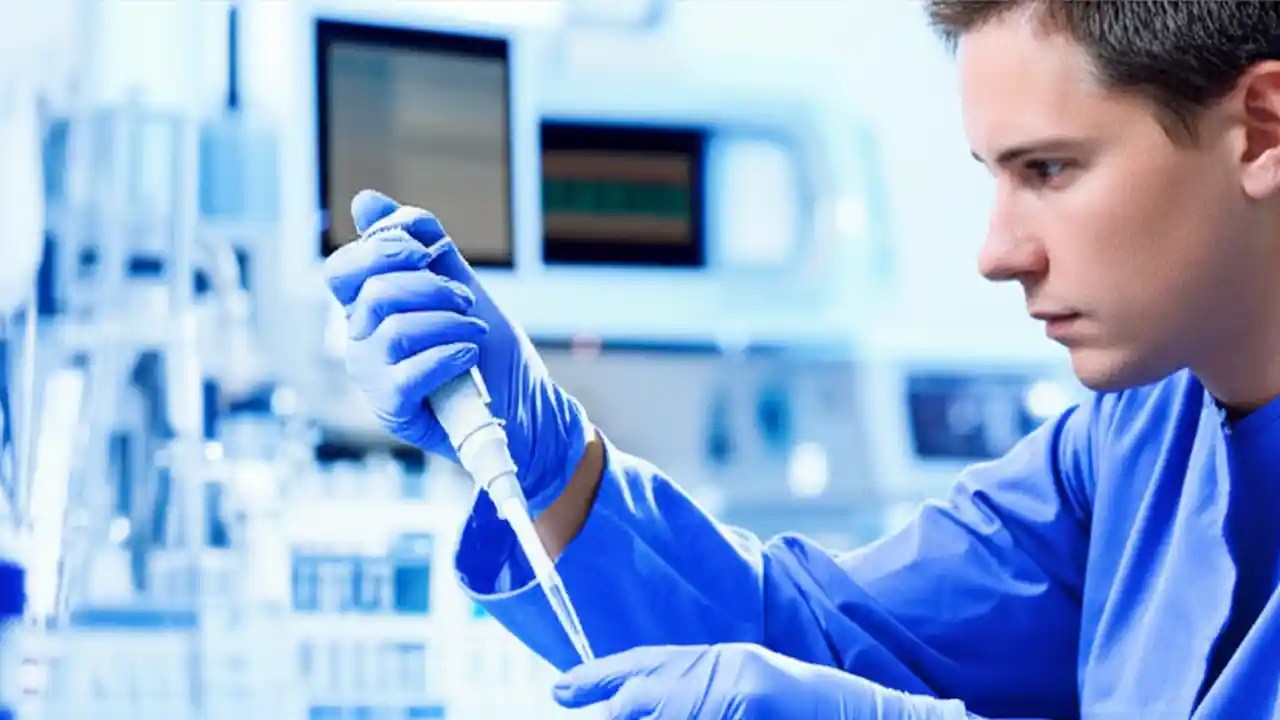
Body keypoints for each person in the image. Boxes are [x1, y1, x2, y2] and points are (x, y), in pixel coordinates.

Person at [322, 1, 1280, 717]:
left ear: (1263, 128)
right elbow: (816, 643)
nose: (998, 253)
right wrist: (548, 464)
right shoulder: (1136, 442)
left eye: (1050, 171)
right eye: (994, 177)